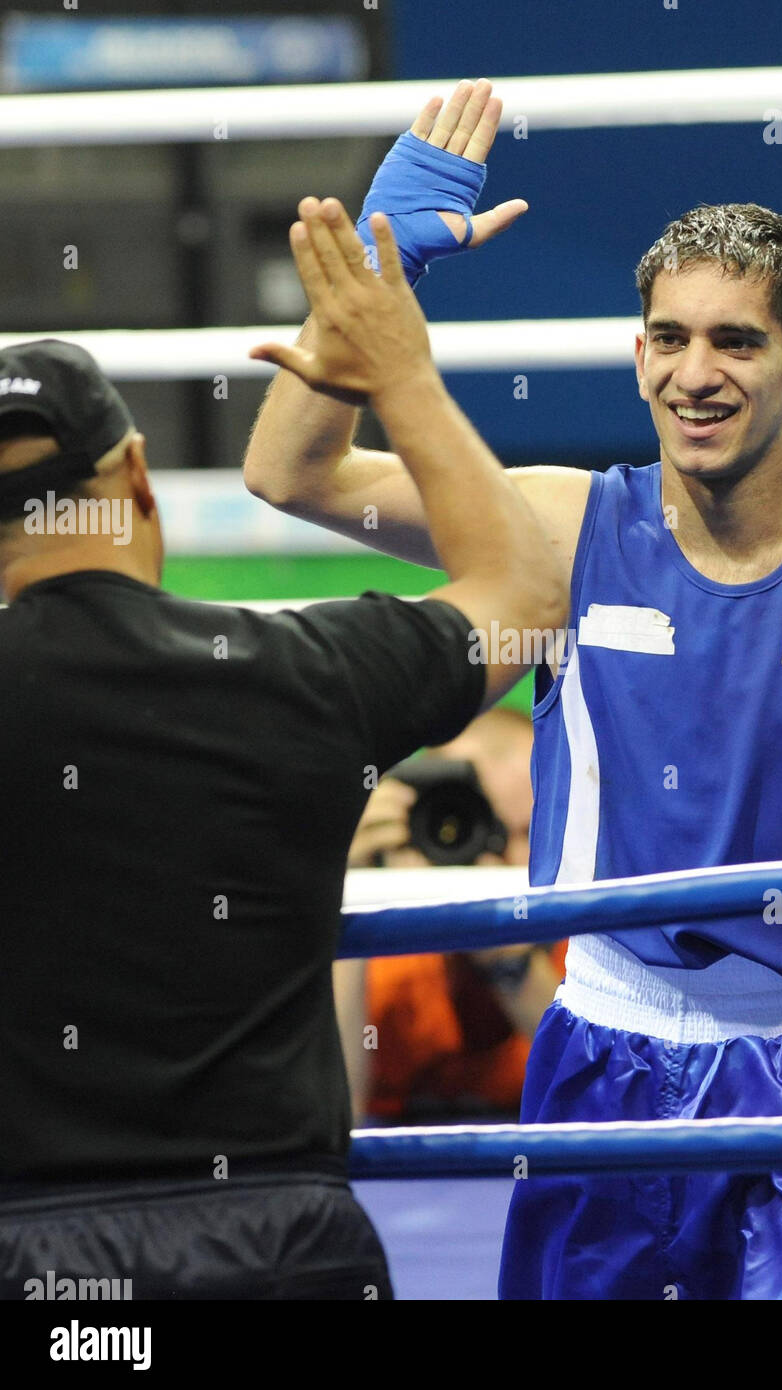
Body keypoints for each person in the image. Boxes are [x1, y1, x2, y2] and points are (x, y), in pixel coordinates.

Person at [243, 80, 782, 1300]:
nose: (694, 373)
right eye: (668, 338)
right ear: (636, 356)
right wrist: (374, 269)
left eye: (735, 341)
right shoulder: (563, 528)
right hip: (605, 1041)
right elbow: (291, 474)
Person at [0, 198, 567, 1299]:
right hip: (277, 1249)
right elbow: (525, 593)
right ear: (137, 476)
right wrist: (398, 370)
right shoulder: (295, 671)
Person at [338, 706, 566, 1121]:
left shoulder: (594, 944)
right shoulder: (381, 948)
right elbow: (336, 1119)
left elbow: (608, 1105)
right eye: (472, 827)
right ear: (417, 819)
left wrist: (507, 955)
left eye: (534, 832)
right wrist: (347, 887)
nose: (516, 857)